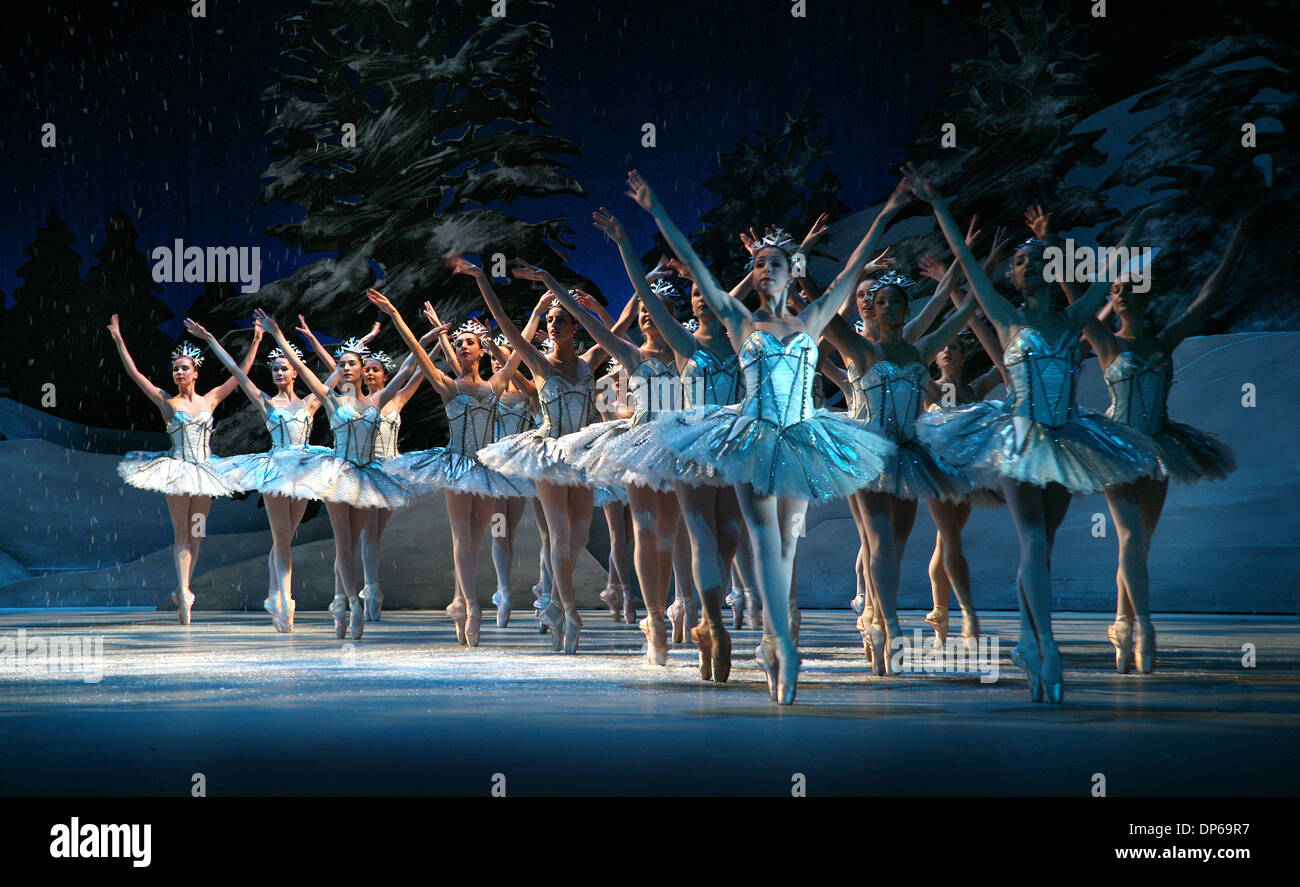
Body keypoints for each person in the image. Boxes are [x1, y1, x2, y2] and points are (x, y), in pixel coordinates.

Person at [626, 169, 899, 703]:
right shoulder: (738, 323)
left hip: (801, 438)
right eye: (758, 264)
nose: (766, 271)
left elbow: (846, 275)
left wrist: (887, 213)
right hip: (751, 438)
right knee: (760, 538)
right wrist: (656, 210)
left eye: (775, 264)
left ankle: (775, 639)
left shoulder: (812, 320)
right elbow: (700, 274)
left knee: (782, 541)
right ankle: (772, 641)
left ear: (791, 271)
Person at [907, 167, 1161, 702]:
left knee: (1041, 550)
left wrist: (1130, 235)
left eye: (1035, 259)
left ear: (1051, 266)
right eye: (1020, 262)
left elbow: (1108, 274)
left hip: (1068, 440)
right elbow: (971, 269)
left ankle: (1029, 638)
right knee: (1033, 540)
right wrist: (937, 204)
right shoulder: (1003, 315)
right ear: (1016, 276)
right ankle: (1044, 643)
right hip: (1018, 438)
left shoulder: (1073, 320)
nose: (1026, 266)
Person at [1077, 215, 1245, 673]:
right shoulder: (1104, 342)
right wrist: (1051, 242)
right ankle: (1145, 628)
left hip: (1160, 445)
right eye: (1118, 292)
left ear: (1145, 296)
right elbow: (1076, 302)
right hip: (1118, 445)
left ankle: (1120, 623)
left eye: (1132, 289)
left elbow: (1207, 298)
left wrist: (1237, 241)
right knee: (1130, 537)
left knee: (1139, 544)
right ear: (1111, 300)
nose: (1125, 295)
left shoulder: (1163, 341)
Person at [253, 309, 413, 640]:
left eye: (351, 364)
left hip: (367, 476)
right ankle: (352, 603)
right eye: (341, 364)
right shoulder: (330, 399)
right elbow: (302, 370)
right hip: (338, 474)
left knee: (355, 544)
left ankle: (342, 600)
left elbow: (411, 369)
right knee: (343, 547)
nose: (344, 368)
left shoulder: (379, 399)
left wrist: (422, 337)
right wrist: (278, 335)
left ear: (362, 368)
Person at [182, 319, 332, 632]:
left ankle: (274, 593)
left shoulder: (310, 402)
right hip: (275, 471)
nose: (278, 373)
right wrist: (210, 337)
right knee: (281, 540)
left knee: (286, 539)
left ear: (295, 371)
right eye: (275, 368)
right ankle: (284, 601)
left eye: (284, 368)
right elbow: (238, 373)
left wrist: (308, 342)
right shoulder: (266, 402)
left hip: (303, 471)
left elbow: (336, 375)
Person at [110, 316, 250, 625]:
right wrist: (119, 339)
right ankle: (185, 591)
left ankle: (184, 588)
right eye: (175, 369)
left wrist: (254, 343)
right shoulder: (167, 402)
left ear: (195, 373)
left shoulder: (210, 399)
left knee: (197, 532)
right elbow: (135, 375)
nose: (178, 372)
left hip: (204, 473)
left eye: (184, 368)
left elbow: (240, 376)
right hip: (176, 471)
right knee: (181, 533)